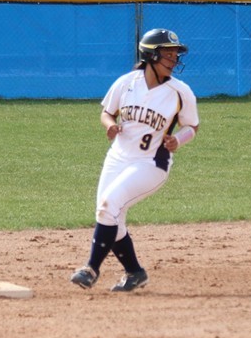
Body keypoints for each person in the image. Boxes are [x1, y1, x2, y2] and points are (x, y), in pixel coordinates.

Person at [69, 28, 200, 292]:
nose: (174, 58)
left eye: (175, 53)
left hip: (150, 164)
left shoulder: (180, 91)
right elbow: (107, 112)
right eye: (168, 52)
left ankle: (90, 268)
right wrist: (109, 125)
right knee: (109, 215)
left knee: (110, 206)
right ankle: (134, 273)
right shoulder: (126, 82)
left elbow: (192, 126)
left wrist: (179, 140)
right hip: (117, 158)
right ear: (151, 55)